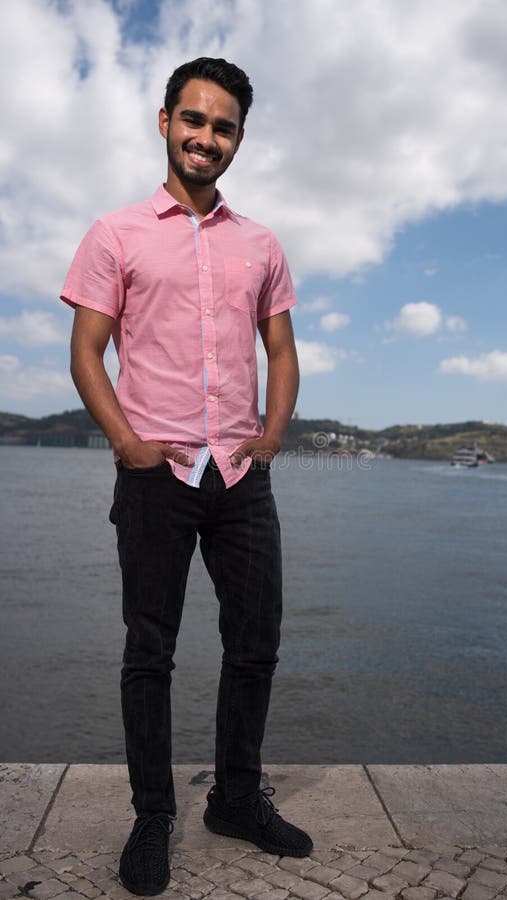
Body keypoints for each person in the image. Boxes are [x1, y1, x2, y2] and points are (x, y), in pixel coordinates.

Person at [61, 57, 312, 896]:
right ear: (164, 121)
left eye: (225, 126)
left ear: (239, 138)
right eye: (194, 120)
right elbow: (86, 351)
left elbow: (279, 351)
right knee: (149, 651)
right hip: (155, 473)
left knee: (255, 646)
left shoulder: (261, 244)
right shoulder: (116, 233)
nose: (207, 137)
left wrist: (270, 437)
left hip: (241, 476)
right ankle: (153, 815)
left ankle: (236, 799)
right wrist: (129, 444)